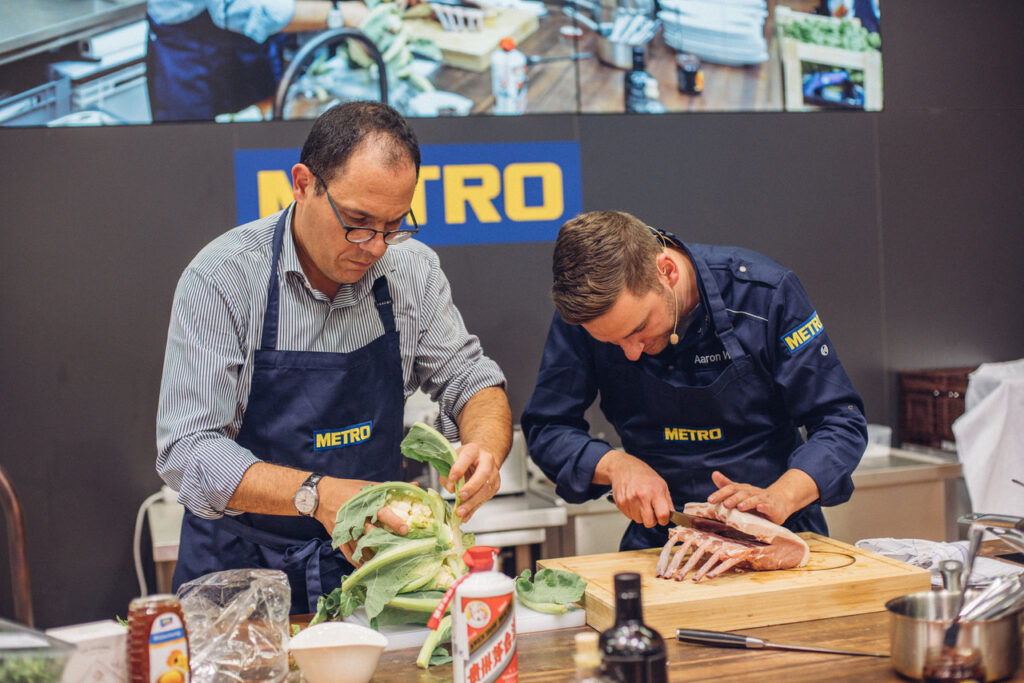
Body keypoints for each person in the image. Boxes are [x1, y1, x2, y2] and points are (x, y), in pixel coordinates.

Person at [156, 101, 512, 613]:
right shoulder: (223, 278)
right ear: (303, 184)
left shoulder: (411, 272)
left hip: (371, 566)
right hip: (242, 571)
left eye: (393, 225)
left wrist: (486, 446)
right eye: (358, 221)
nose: (375, 247)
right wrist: (317, 495)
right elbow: (188, 449)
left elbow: (470, 378)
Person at [521, 210, 867, 551]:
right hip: (661, 540)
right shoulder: (590, 316)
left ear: (667, 271)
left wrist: (781, 496)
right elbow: (548, 428)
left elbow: (840, 421)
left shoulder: (763, 294)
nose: (631, 352)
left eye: (639, 328)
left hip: (778, 533)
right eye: (612, 343)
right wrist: (615, 465)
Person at [146, 0, 369, 122]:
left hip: (250, 45)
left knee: (258, 151)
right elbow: (233, 8)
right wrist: (340, 14)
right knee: (199, 158)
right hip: (191, 55)